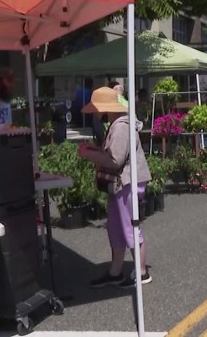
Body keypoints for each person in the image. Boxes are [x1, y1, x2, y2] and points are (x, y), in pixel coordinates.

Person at [79, 86, 152, 287]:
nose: (96, 113)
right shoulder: (119, 123)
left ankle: (141, 272)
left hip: (126, 182)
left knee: (129, 226)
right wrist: (95, 150)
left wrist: (88, 154)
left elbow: (114, 160)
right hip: (123, 182)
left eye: (97, 109)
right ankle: (116, 271)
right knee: (117, 228)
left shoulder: (121, 126)